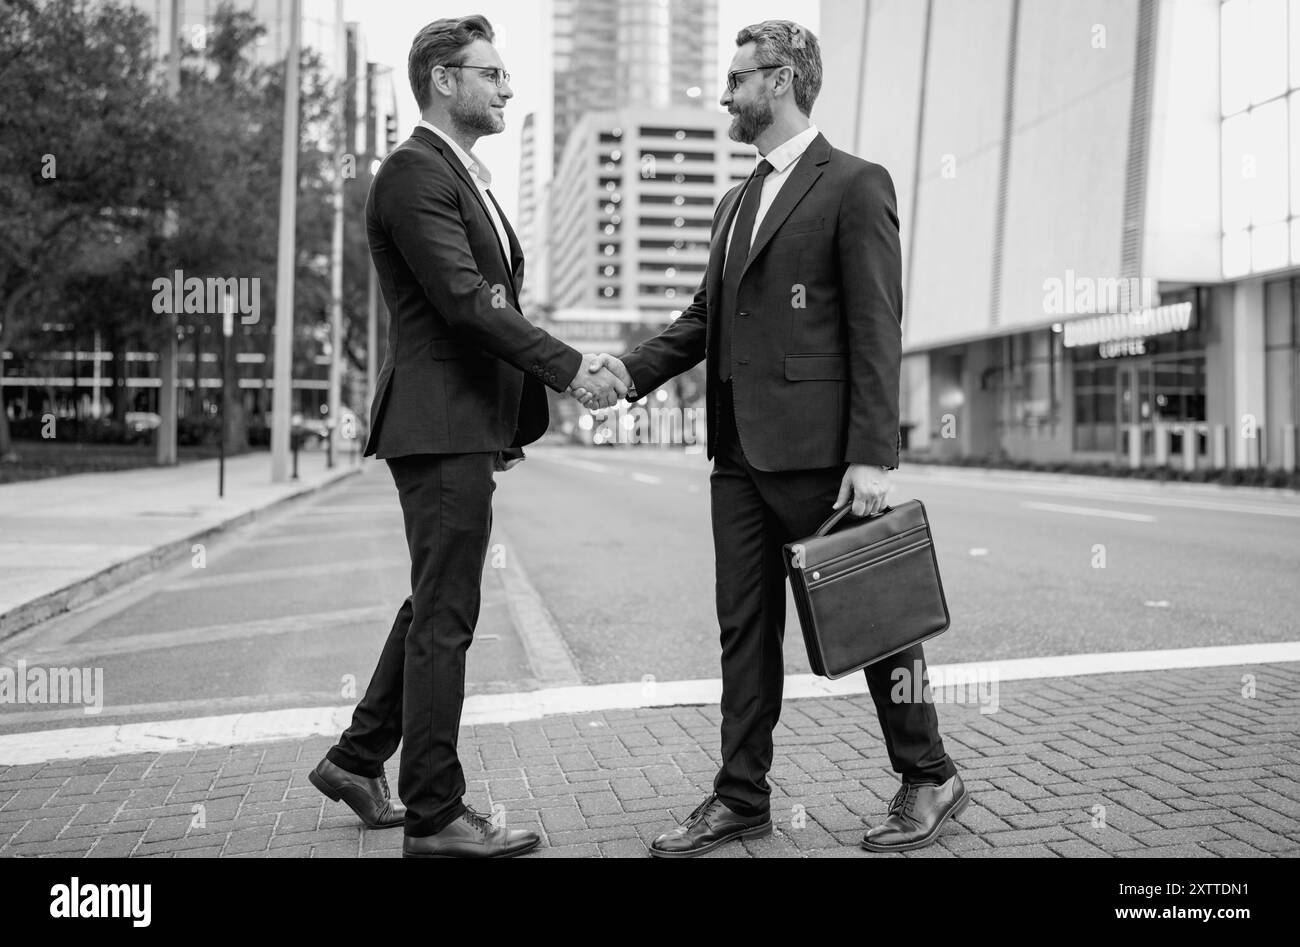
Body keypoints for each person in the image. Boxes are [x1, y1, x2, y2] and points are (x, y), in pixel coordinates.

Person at [593, 19, 969, 857]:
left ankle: (930, 772)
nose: (726, 93)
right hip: (737, 456)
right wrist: (625, 374)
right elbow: (703, 321)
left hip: (820, 454)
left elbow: (878, 326)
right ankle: (740, 798)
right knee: (744, 629)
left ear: (784, 79)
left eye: (737, 79)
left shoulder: (855, 183)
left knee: (871, 618)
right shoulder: (736, 199)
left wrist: (873, 453)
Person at [307, 14, 624, 859]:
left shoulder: (458, 173)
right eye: (490, 73)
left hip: (461, 424)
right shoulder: (413, 172)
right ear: (444, 79)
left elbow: (490, 300)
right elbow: (467, 301)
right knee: (447, 612)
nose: (506, 87)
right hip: (438, 421)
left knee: (432, 601)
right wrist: (568, 366)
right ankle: (438, 813)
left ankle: (354, 757)